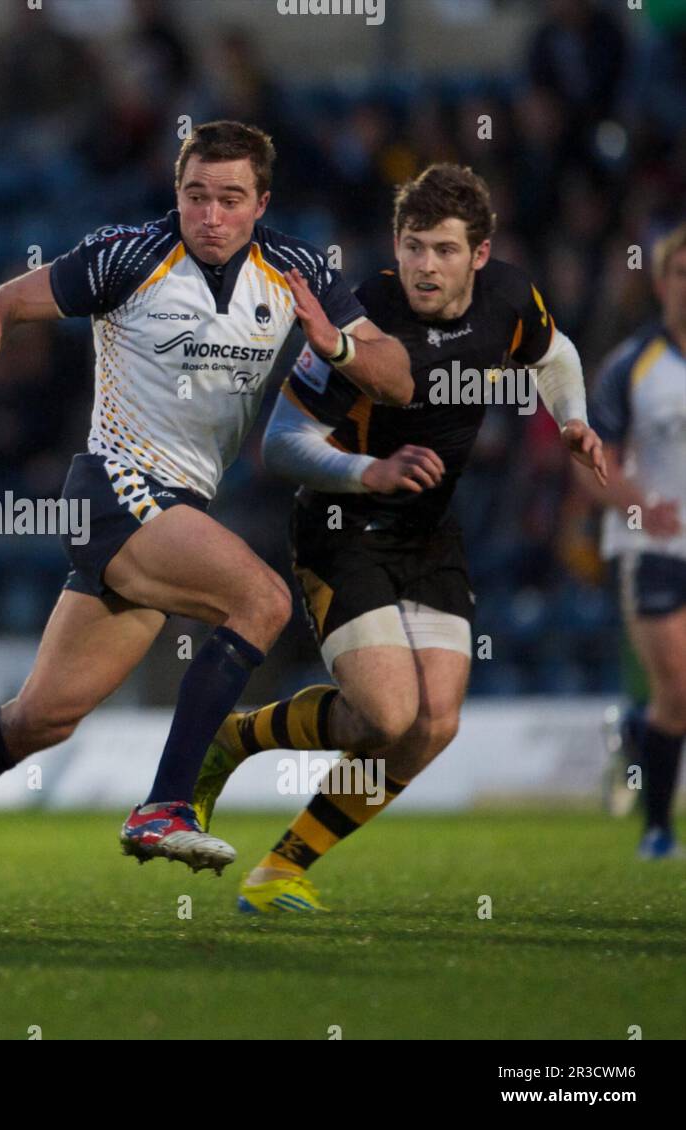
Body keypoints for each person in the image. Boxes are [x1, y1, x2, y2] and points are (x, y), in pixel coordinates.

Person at [0, 119, 412, 923]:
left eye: (231, 199)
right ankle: (165, 805)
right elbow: (2, 306)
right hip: (114, 488)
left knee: (41, 719)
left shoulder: (299, 270)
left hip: (175, 511)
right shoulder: (128, 255)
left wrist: (336, 345)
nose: (210, 215)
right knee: (261, 601)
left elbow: (398, 378)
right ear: (177, 192)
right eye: (196, 195)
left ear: (261, 203)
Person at [192, 164, 607, 913]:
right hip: (339, 523)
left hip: (428, 533)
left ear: (480, 255)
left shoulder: (511, 296)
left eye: (445, 250)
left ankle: (282, 867)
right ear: (396, 244)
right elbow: (281, 444)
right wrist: (367, 471)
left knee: (432, 725)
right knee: (386, 716)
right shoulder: (365, 316)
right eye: (414, 246)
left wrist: (573, 417)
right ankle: (234, 735)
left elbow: (556, 354)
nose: (425, 265)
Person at [584, 222, 686, 860]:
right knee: (678, 691)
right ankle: (656, 831)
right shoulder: (633, 365)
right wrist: (638, 508)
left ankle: (630, 729)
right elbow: (593, 460)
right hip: (650, 549)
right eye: (682, 273)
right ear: (661, 281)